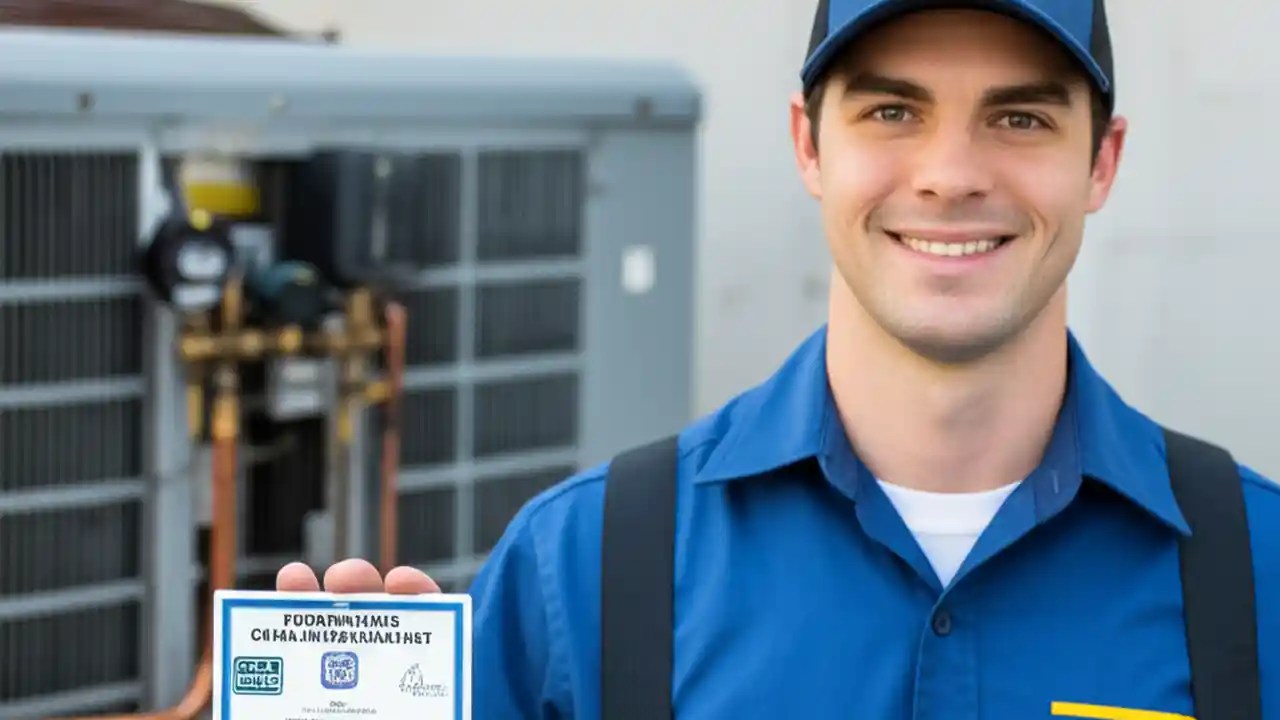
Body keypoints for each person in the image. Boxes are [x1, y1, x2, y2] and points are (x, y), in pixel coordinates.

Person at [278, 0, 1280, 717]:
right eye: (891, 111)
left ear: (1099, 161)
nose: (947, 176)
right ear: (807, 146)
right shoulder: (578, 572)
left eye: (1017, 117)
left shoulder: (1260, 576)